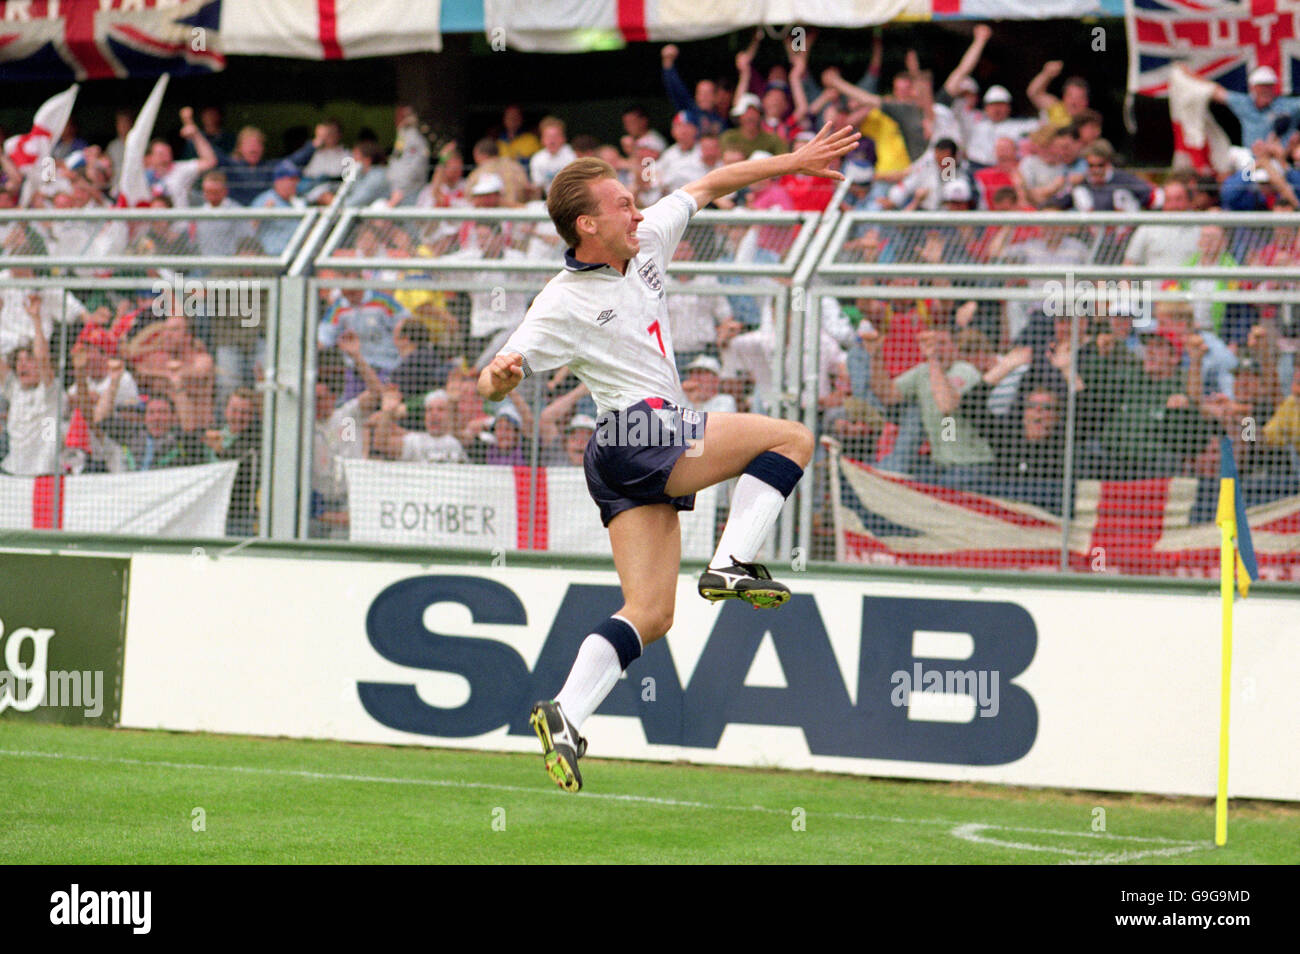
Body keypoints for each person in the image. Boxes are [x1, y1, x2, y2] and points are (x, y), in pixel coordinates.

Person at [477, 123, 858, 792]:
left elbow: (711, 182)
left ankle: (564, 712)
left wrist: (794, 161)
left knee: (652, 613)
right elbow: (490, 381)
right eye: (621, 202)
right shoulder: (561, 300)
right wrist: (503, 379)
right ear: (586, 226)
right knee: (791, 438)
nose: (637, 207)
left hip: (624, 450)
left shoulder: (647, 235)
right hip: (641, 431)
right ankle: (730, 562)